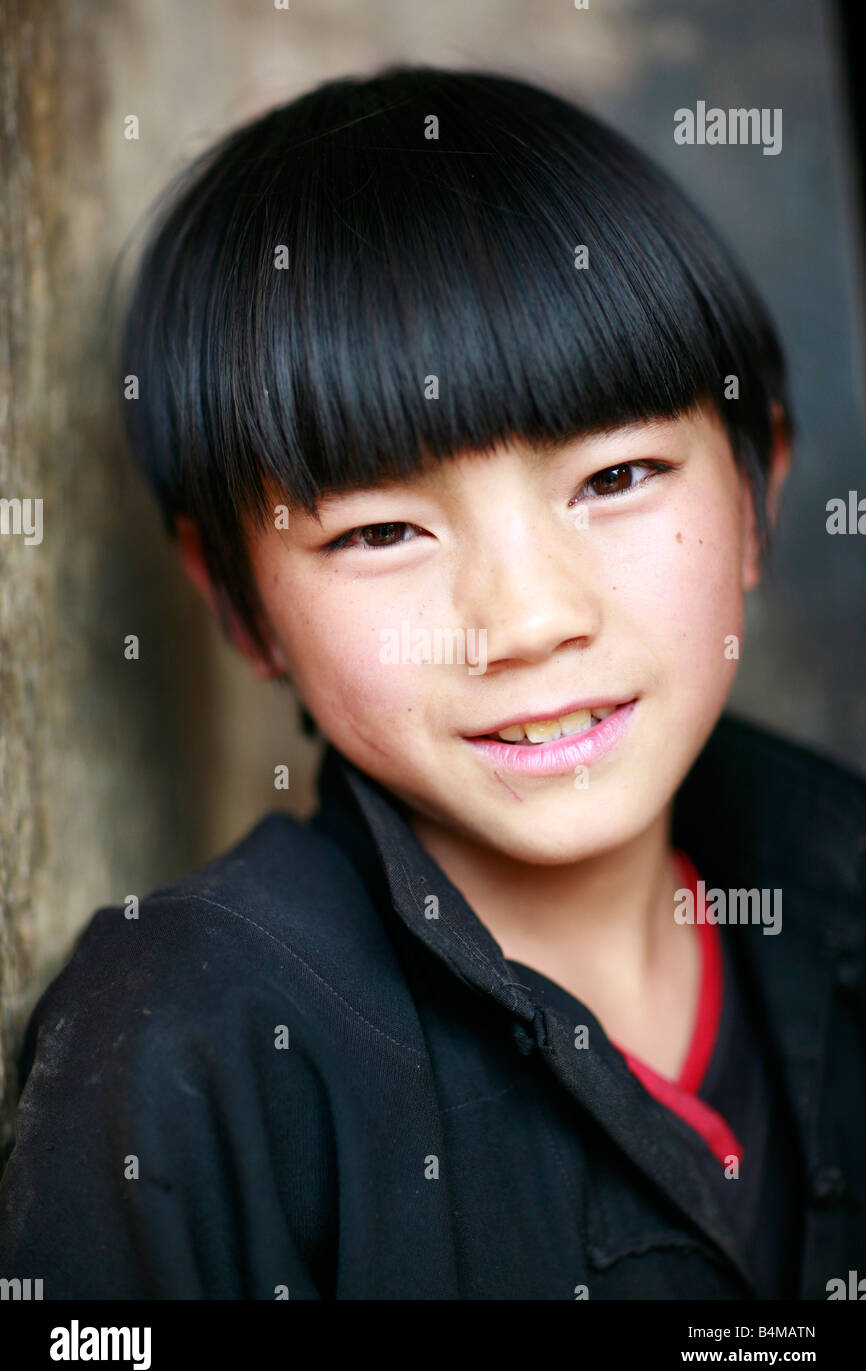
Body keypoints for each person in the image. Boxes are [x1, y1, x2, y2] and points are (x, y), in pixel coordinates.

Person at [1, 63, 863, 1300]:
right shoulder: (193, 1043)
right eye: (377, 534)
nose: (526, 621)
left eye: (614, 478)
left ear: (755, 494)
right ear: (238, 604)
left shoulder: (836, 887)